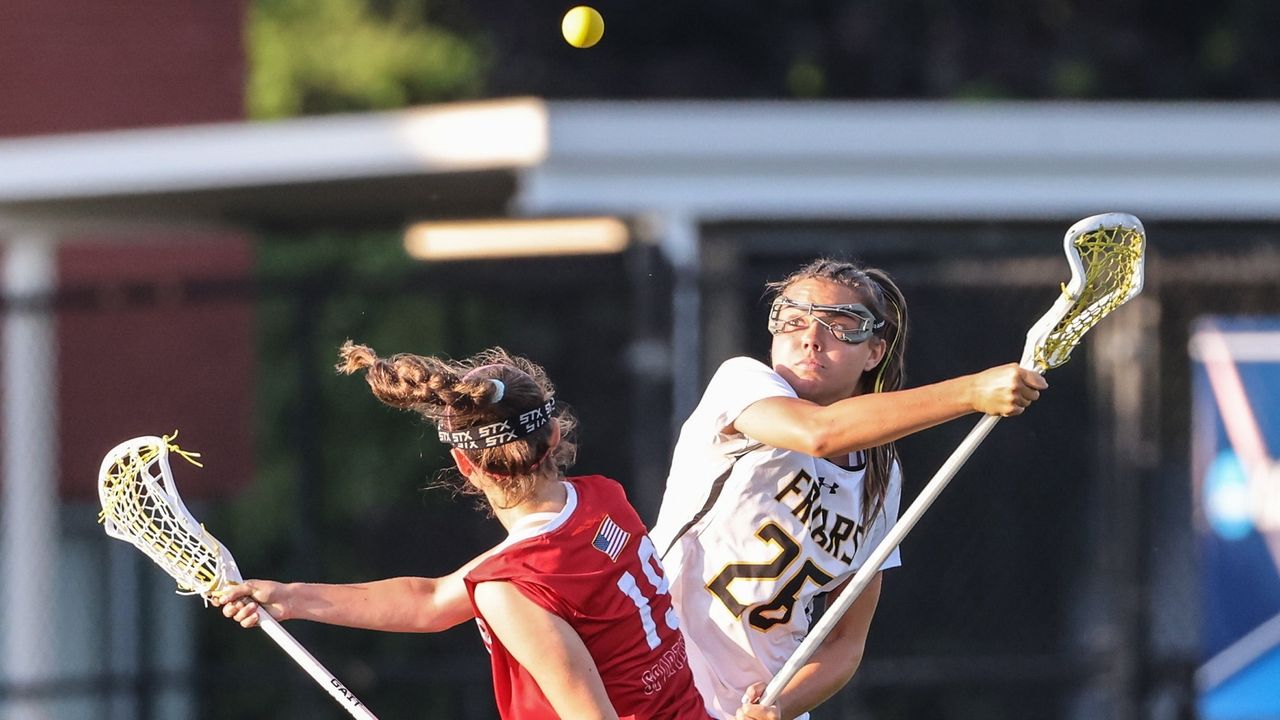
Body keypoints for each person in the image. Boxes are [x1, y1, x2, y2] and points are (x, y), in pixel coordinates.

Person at [214, 342, 711, 720]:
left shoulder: (511, 586)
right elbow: (430, 601)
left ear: (464, 464)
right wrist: (291, 598)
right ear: (554, 436)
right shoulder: (604, 500)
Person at [648, 258, 1048, 720]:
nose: (810, 338)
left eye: (840, 325)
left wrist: (778, 706)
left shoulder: (880, 476)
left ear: (875, 352)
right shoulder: (740, 384)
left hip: (757, 702)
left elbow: (845, 642)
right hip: (662, 669)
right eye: (793, 319)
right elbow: (820, 434)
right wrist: (971, 392)